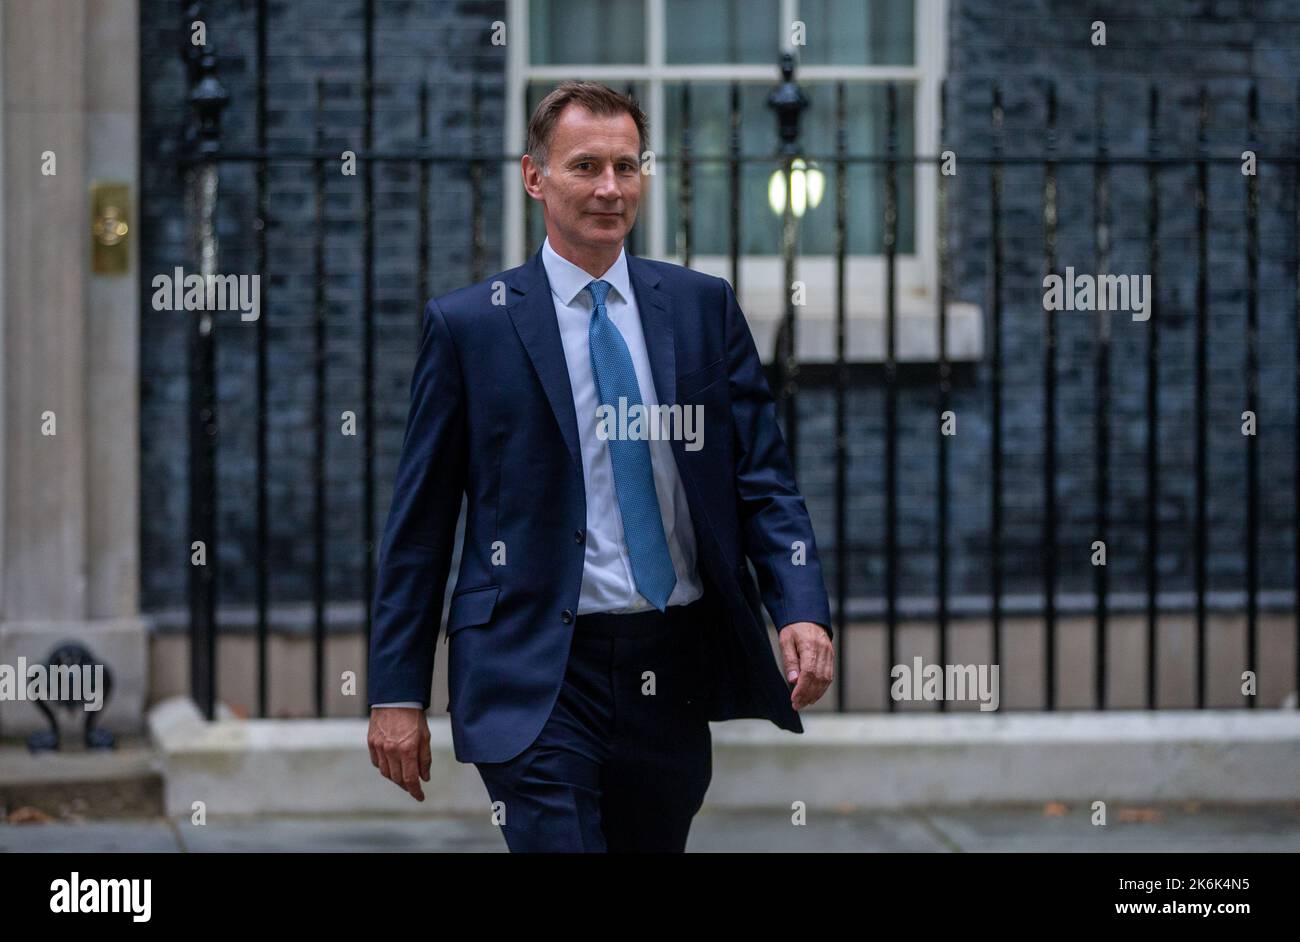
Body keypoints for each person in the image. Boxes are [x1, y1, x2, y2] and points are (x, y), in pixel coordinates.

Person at [367, 80, 834, 852]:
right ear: (534, 177)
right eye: (586, 166)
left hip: (670, 664)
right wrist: (395, 691)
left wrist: (801, 605)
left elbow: (762, 478)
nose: (610, 188)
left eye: (627, 166)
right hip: (535, 666)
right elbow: (420, 525)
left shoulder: (699, 307)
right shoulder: (467, 327)